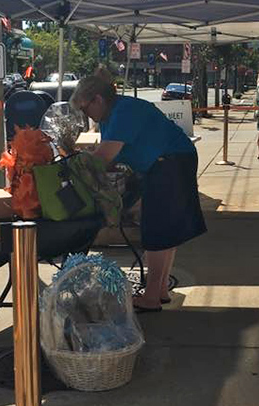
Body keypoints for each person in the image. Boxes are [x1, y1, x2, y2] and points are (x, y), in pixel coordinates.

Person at [71, 72, 206, 311]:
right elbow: (112, 154)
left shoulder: (122, 112)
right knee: (166, 230)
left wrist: (73, 163)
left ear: (98, 99)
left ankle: (151, 297)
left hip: (169, 163)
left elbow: (103, 157)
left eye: (84, 108)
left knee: (156, 230)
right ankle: (160, 290)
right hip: (171, 160)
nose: (85, 115)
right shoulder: (112, 114)